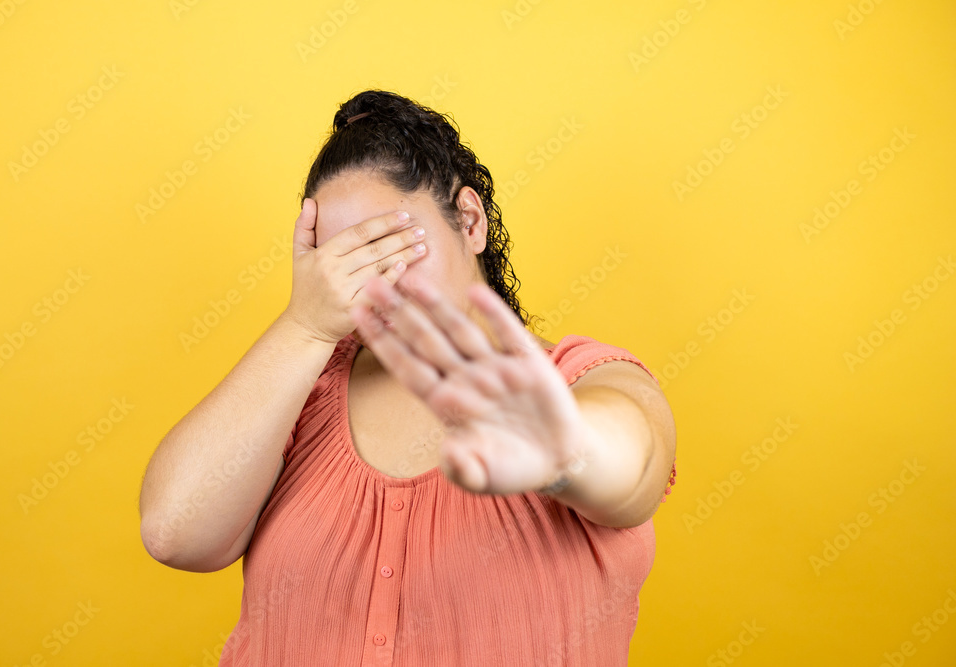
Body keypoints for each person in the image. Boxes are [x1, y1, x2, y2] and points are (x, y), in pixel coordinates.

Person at [138, 89, 677, 666]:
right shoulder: (299, 389)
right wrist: (304, 326)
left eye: (390, 248)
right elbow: (174, 533)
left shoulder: (584, 378)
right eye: (341, 265)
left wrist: (555, 443)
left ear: (469, 221)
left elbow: (631, 474)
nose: (372, 287)